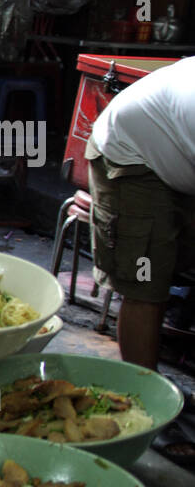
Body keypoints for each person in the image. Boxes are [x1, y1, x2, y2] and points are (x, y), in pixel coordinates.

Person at [86, 54, 195, 370]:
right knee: (145, 284)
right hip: (132, 155)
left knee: (168, 264)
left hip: (174, 149)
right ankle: (143, 400)